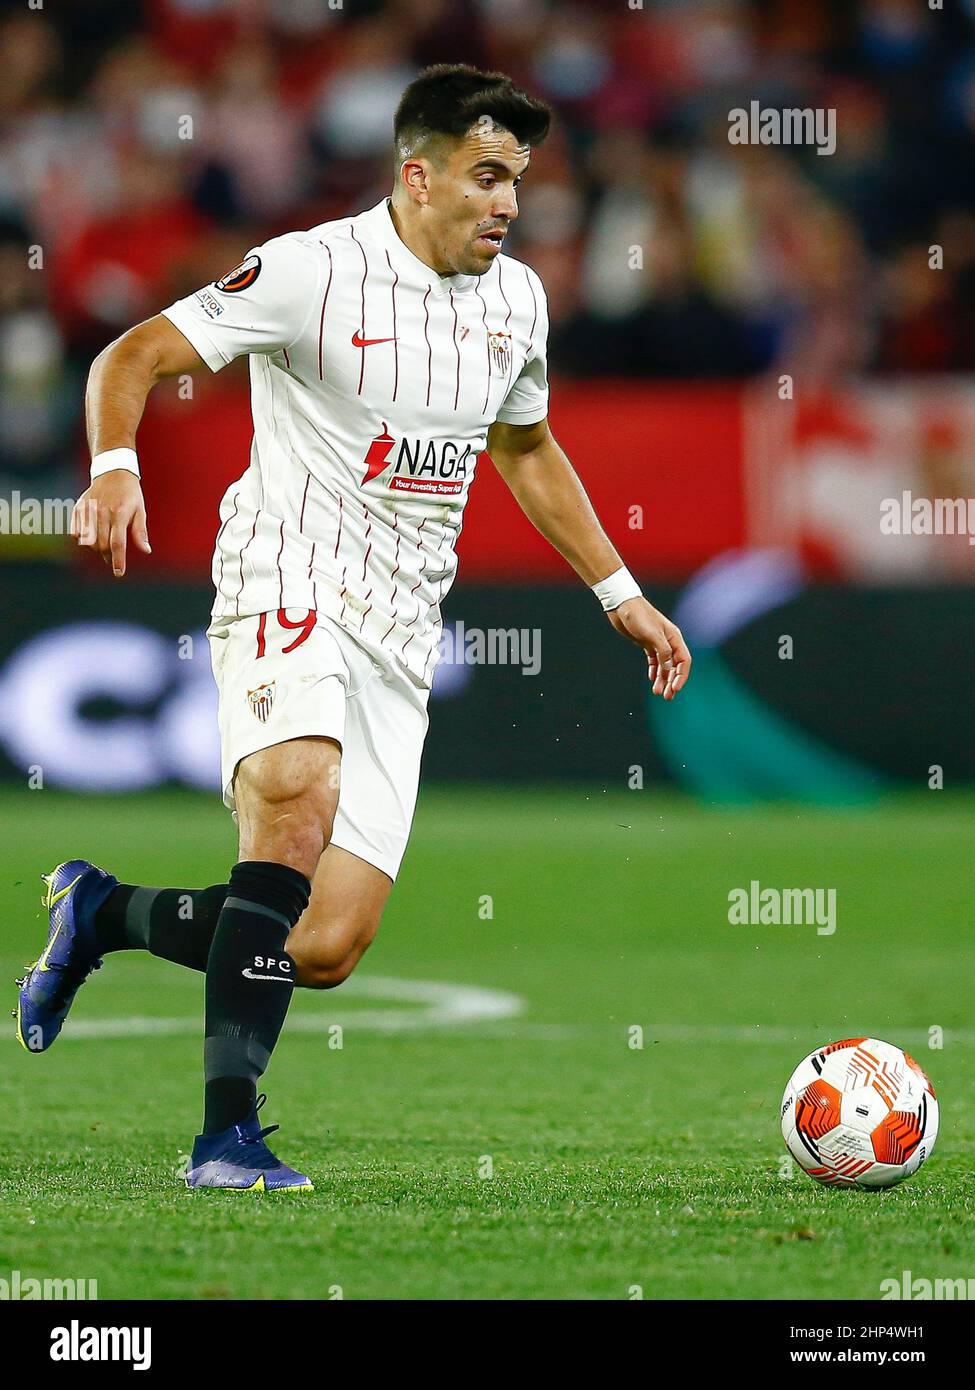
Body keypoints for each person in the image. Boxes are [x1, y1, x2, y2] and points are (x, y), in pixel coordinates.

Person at [16, 65, 691, 1191]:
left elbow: (524, 446)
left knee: (322, 945)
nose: (508, 204)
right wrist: (117, 466)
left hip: (401, 625)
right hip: (289, 572)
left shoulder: (516, 301)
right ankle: (226, 1138)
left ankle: (104, 913)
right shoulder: (310, 272)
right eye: (485, 177)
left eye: (516, 180)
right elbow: (129, 356)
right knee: (294, 792)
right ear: (416, 175)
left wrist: (618, 591)